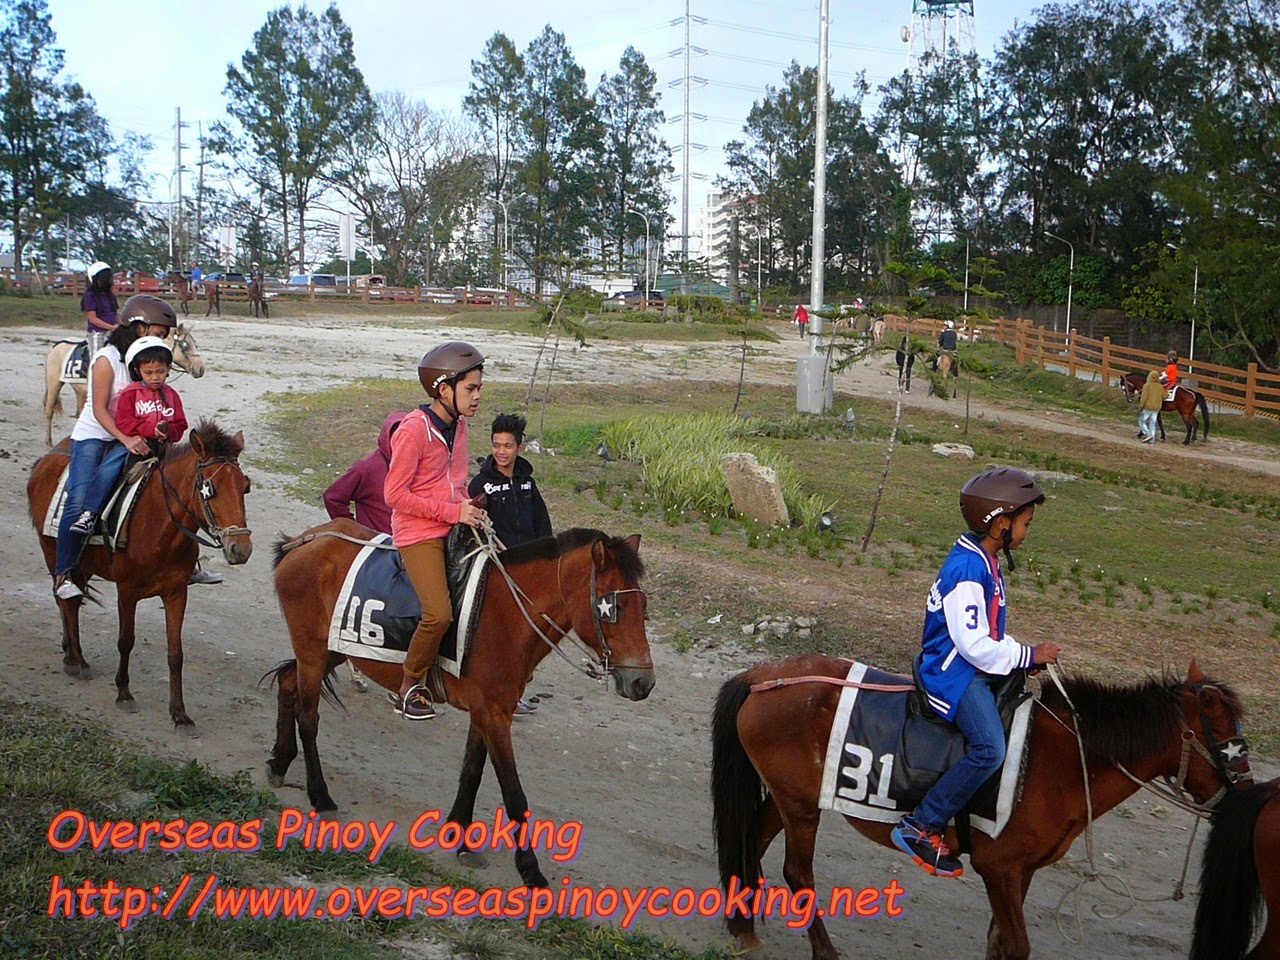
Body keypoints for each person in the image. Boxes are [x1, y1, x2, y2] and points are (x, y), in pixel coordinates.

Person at [890, 467, 1061, 878]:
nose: (1027, 531)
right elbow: (974, 646)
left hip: (971, 665)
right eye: (1025, 523)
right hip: (954, 674)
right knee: (990, 748)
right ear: (1001, 523)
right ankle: (921, 824)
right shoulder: (968, 570)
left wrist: (1022, 658)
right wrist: (1026, 653)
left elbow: (987, 635)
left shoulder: (984, 560)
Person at [384, 342, 487, 721]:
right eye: (470, 389)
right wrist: (452, 511)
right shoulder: (414, 430)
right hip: (418, 532)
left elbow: (454, 482)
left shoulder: (459, 425)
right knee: (439, 614)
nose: (477, 396)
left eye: (479, 388)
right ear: (444, 389)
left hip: (453, 521)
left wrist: (470, 507)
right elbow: (394, 495)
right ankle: (409, 684)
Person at [53, 295, 177, 600]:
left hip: (135, 434)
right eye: (159, 333)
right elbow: (99, 410)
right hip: (96, 435)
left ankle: (184, 561)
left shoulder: (144, 362)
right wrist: (126, 439)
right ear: (139, 327)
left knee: (172, 485)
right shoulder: (107, 359)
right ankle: (64, 572)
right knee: (78, 498)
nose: (161, 340)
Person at [468, 413, 552, 549]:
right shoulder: (479, 484)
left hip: (531, 555)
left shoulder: (528, 484)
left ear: (519, 448)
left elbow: (542, 524)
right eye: (496, 446)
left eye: (507, 446)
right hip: (497, 556)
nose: (501, 452)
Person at [323, 410, 408, 535]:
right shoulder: (367, 468)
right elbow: (332, 497)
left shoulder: (420, 463)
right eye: (398, 437)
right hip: (378, 542)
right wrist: (352, 529)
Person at [114, 337, 189, 456]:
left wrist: (167, 431)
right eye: (148, 373)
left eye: (160, 372)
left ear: (168, 368)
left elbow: (181, 424)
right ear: (138, 371)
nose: (155, 377)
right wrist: (150, 429)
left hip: (165, 447)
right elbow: (123, 422)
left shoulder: (172, 395)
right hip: (136, 445)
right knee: (109, 467)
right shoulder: (130, 393)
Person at [80, 261, 118, 356]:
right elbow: (93, 319)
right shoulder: (91, 295)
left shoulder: (109, 295)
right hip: (98, 332)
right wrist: (111, 327)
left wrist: (117, 327)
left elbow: (114, 314)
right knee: (97, 357)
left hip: (112, 331)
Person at [1137, 369, 1163, 443]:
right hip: (1157, 408)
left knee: (1141, 421)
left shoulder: (1147, 386)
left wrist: (1141, 406)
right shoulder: (1160, 386)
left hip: (1148, 407)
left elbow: (1144, 398)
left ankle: (1148, 434)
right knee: (1153, 423)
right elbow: (1164, 396)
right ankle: (1152, 439)